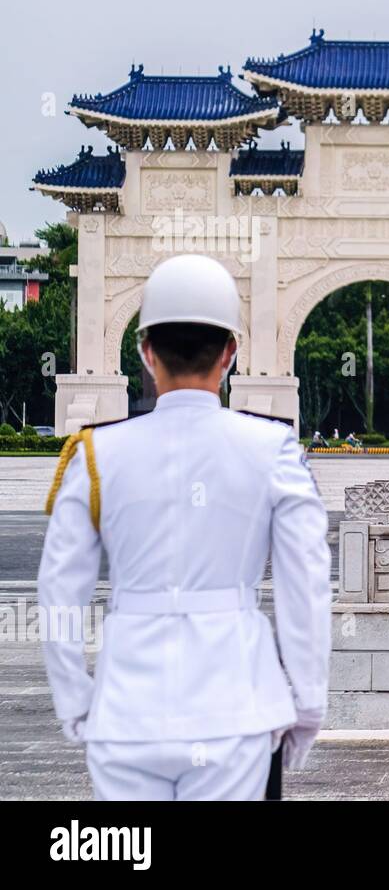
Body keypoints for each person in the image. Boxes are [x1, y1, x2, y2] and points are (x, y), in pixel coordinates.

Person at [38, 253, 332, 801]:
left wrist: (76, 700)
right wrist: (307, 702)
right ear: (231, 353)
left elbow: (59, 589)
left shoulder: (96, 454)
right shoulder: (274, 450)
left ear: (147, 353)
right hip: (237, 712)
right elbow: (306, 584)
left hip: (127, 715)